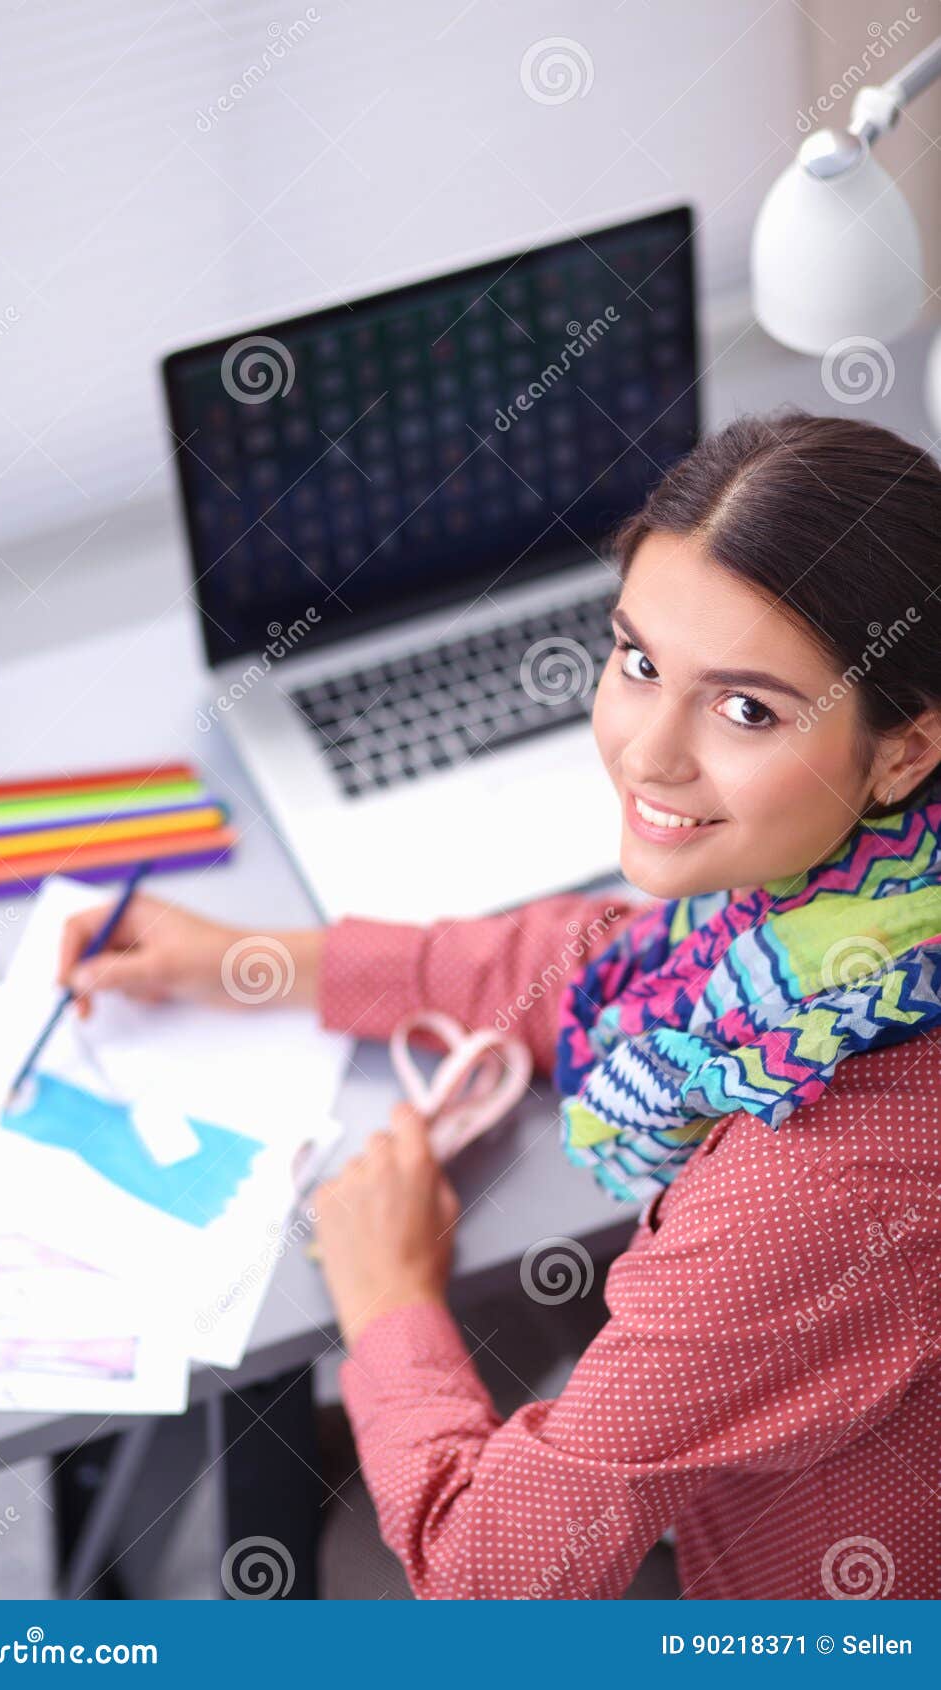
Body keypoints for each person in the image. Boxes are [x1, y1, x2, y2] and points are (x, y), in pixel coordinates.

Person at [59, 411, 941, 1600]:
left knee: (271, 1553)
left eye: (744, 710)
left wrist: (385, 1297)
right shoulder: (868, 906)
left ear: (900, 747)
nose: (645, 756)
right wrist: (257, 960)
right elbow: (602, 965)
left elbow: (491, 1578)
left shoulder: (813, 1176)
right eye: (636, 661)